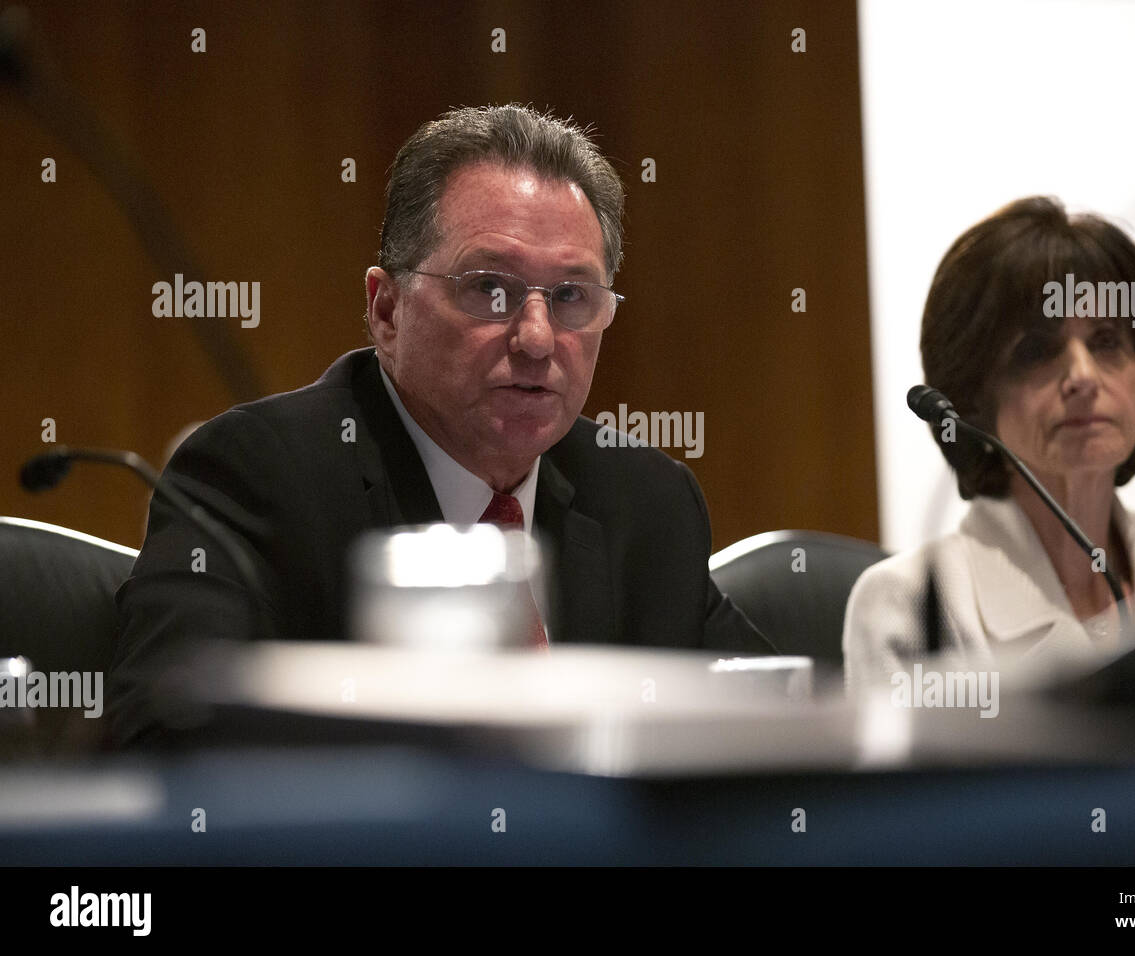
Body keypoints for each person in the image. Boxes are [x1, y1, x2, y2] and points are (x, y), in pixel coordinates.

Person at [109, 105, 772, 746]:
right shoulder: (254, 476)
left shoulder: (646, 503)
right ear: (387, 310)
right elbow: (163, 740)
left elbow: (774, 729)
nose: (538, 338)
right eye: (490, 289)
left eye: (571, 296)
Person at [842, 196, 1135, 688]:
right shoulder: (908, 605)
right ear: (974, 399)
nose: (1083, 377)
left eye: (1106, 342)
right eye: (1038, 350)